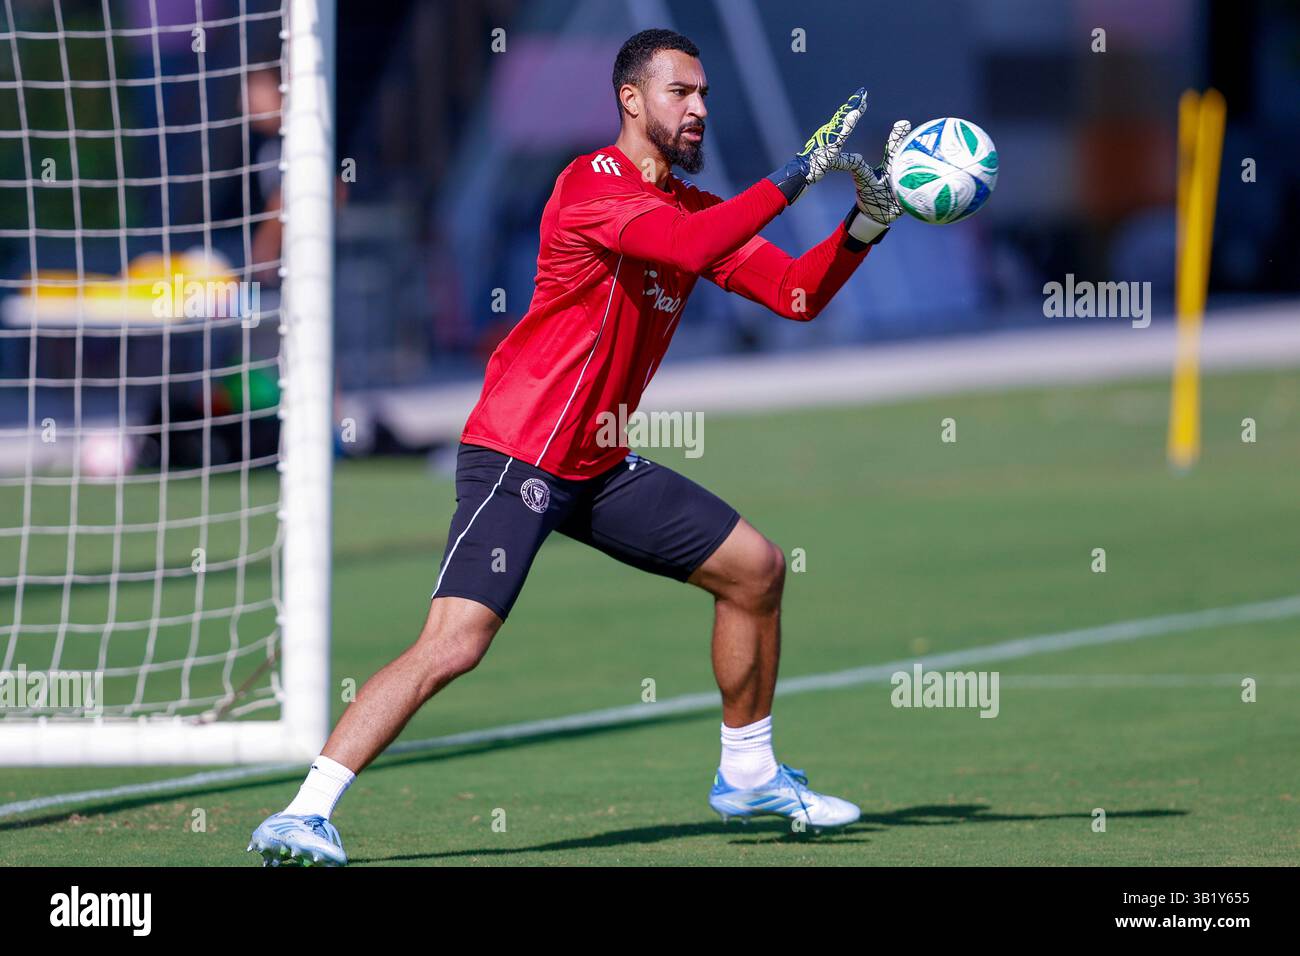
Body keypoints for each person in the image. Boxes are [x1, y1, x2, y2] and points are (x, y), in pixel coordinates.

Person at [249, 27, 911, 866]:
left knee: (756, 570)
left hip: (595, 460)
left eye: (705, 94)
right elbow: (685, 249)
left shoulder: (691, 208)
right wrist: (794, 174)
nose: (699, 108)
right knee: (455, 643)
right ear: (631, 101)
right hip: (519, 451)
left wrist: (865, 223)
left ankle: (748, 774)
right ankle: (305, 812)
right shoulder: (592, 181)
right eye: (682, 93)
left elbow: (793, 293)